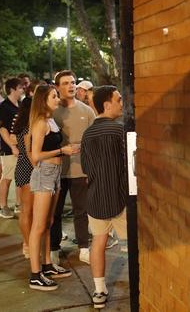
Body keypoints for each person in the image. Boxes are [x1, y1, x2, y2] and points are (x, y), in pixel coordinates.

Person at [81, 86, 128, 309]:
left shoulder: (87, 134)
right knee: (133, 244)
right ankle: (141, 282)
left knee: (98, 244)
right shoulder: (120, 131)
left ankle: (99, 290)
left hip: (96, 198)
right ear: (107, 105)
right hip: (121, 198)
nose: (122, 103)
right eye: (118, 100)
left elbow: (86, 168)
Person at [28, 84, 77, 291]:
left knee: (49, 221)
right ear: (43, 100)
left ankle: (47, 265)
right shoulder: (40, 123)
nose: (58, 99)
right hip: (45, 174)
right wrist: (62, 150)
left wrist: (67, 150)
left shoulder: (51, 121)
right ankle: (35, 274)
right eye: (54, 96)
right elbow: (35, 156)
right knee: (38, 226)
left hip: (55, 174)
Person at [50, 70, 95, 265]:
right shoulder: (51, 111)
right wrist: (62, 150)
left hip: (81, 169)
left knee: (81, 211)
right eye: (66, 83)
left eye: (73, 82)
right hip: (57, 170)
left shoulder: (87, 111)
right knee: (55, 212)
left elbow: (94, 141)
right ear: (58, 87)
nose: (71, 86)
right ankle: (53, 248)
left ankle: (84, 248)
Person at [0, 78, 24, 218]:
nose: (22, 89)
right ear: (12, 89)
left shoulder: (19, 105)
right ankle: (2, 207)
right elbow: (2, 129)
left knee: (19, 178)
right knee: (7, 177)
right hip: (9, 149)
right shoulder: (4, 107)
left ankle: (19, 205)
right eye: (20, 87)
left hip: (20, 148)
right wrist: (13, 147)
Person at [13, 95, 34, 258]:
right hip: (29, 169)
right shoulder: (28, 127)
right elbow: (29, 153)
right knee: (27, 211)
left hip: (21, 167)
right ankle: (28, 245)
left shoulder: (20, 125)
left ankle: (27, 243)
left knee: (25, 210)